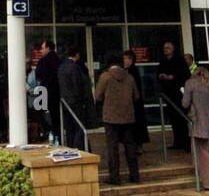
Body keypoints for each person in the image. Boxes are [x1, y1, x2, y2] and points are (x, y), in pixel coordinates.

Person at [94, 54, 141, 185]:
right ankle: (134, 175)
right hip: (128, 117)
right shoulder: (130, 77)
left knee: (112, 148)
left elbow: (97, 96)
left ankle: (115, 177)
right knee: (130, 147)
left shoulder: (105, 77)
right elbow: (136, 96)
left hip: (111, 117)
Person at [181, 64, 209, 190]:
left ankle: (206, 180)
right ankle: (206, 179)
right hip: (208, 121)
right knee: (205, 148)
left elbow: (185, 103)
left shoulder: (190, 83)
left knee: (199, 151)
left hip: (195, 119)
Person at [57, 46, 95, 150]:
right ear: (77, 55)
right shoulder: (74, 68)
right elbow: (77, 85)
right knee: (79, 128)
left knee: (69, 128)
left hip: (65, 102)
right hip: (75, 102)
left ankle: (70, 147)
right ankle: (82, 149)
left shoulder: (61, 67)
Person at [156, 40, 191, 151]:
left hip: (177, 92)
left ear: (173, 49)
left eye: (168, 48)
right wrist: (161, 76)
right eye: (164, 48)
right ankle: (177, 142)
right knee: (173, 119)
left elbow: (185, 75)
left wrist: (173, 77)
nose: (166, 50)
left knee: (181, 118)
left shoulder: (179, 61)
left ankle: (186, 142)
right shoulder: (163, 61)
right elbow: (158, 73)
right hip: (168, 93)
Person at [34, 40, 62, 145]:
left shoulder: (44, 61)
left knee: (44, 115)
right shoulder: (59, 60)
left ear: (48, 48)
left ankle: (50, 134)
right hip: (57, 92)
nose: (41, 50)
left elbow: (38, 74)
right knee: (56, 116)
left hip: (46, 93)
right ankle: (57, 136)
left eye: (42, 48)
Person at [123, 50, 150, 145]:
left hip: (134, 101)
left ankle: (138, 143)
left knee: (136, 123)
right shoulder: (127, 70)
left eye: (125, 58)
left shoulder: (132, 70)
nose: (124, 61)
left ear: (130, 59)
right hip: (131, 100)